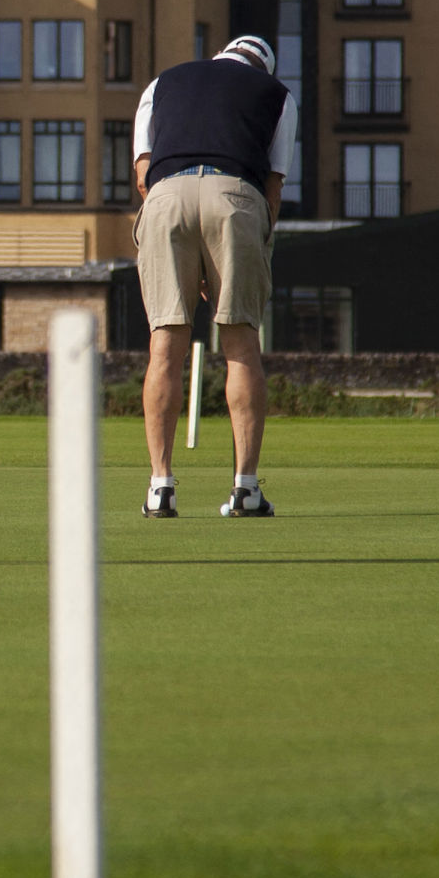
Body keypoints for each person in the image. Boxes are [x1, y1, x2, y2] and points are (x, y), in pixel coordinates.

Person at [130, 31, 293, 518]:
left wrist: (190, 249)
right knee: (240, 343)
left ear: (222, 55)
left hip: (165, 198)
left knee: (165, 346)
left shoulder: (161, 83)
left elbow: (142, 173)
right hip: (236, 199)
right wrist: (240, 252)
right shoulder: (277, 95)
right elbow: (272, 187)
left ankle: (161, 488)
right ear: (260, 67)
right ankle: (245, 489)